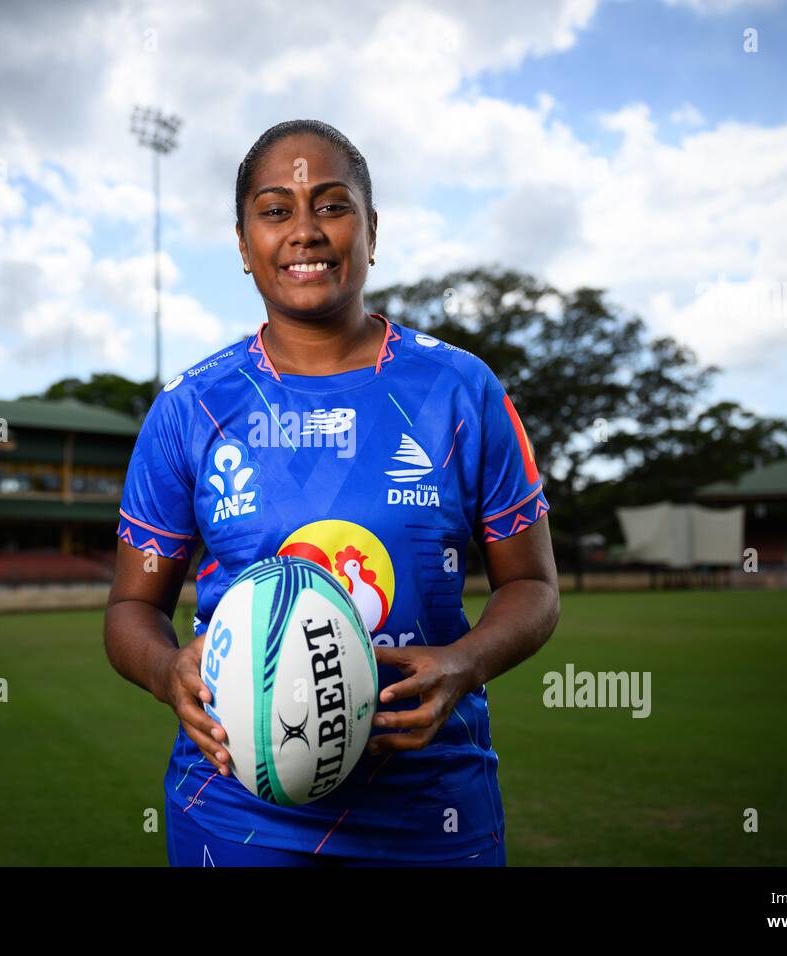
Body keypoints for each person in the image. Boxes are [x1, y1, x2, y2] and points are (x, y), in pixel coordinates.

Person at [104, 119, 560, 867]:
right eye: (276, 209)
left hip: (430, 805)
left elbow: (535, 586)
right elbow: (131, 608)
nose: (306, 231)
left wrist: (465, 663)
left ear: (371, 230)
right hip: (235, 811)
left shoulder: (459, 389)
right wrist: (166, 671)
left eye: (333, 206)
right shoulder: (192, 405)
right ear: (244, 243)